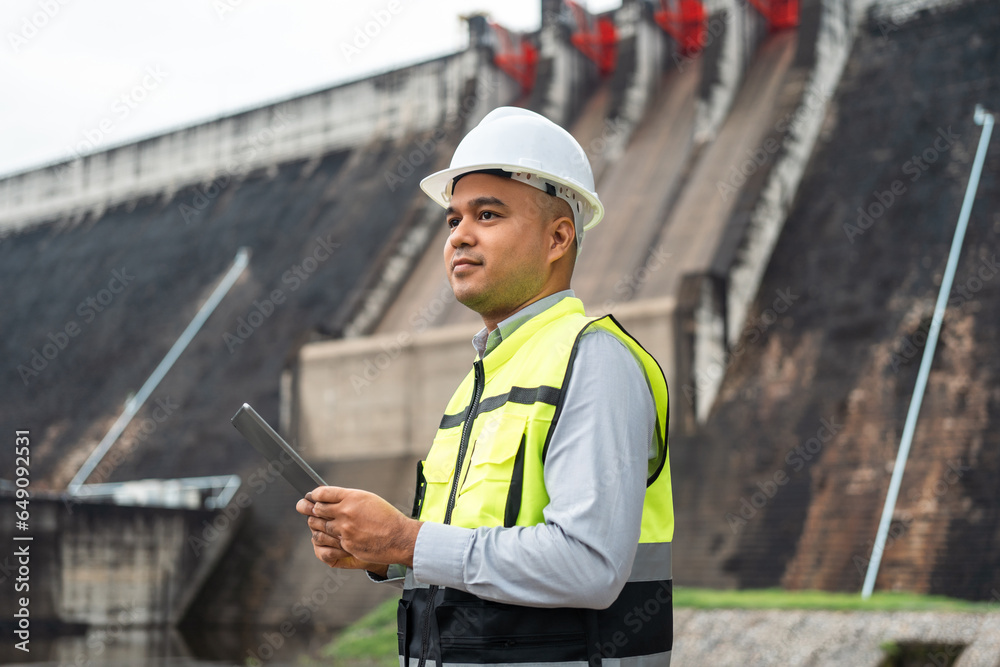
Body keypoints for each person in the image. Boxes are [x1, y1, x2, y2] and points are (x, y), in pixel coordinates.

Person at [297, 107, 674, 666]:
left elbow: (589, 566)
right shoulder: (486, 374)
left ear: (557, 238)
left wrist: (407, 539)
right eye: (452, 221)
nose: (459, 236)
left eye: (488, 214)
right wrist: (382, 552)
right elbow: (476, 546)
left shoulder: (594, 360)